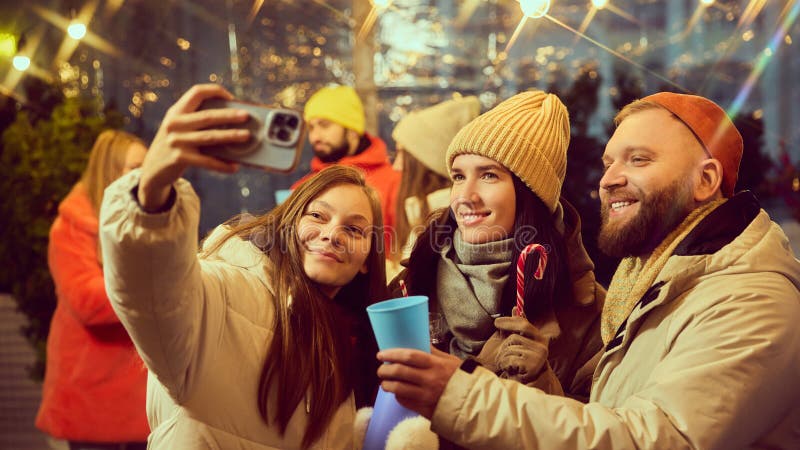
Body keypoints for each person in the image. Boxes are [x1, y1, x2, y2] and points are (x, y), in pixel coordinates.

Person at [377, 92, 800, 449]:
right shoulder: (648, 290)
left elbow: (652, 437)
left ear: (704, 181)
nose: (609, 179)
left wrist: (467, 390)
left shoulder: (751, 300)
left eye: (638, 160)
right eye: (608, 163)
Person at [99, 84, 386, 449]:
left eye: (354, 228)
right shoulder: (228, 295)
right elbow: (154, 293)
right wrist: (151, 197)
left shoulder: (354, 350)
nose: (332, 235)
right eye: (317, 215)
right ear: (288, 224)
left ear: (367, 259)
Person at [390, 90, 604, 399]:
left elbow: (599, 429)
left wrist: (542, 383)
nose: (465, 195)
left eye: (489, 175)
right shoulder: (414, 280)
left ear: (529, 192)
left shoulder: (587, 311)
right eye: (458, 176)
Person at [36, 130, 149, 450]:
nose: (145, 175)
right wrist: (153, 288)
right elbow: (89, 302)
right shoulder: (71, 228)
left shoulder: (147, 220)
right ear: (109, 170)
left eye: (147, 165)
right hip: (93, 394)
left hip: (140, 395)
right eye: (134, 167)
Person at [293, 85, 400, 248]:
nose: (315, 136)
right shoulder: (303, 187)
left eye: (324, 125)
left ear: (352, 131)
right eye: (311, 127)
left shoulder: (394, 183)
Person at [387, 95, 481, 278]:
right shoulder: (422, 211)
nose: (396, 165)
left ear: (425, 162)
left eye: (402, 155)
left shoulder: (448, 221)